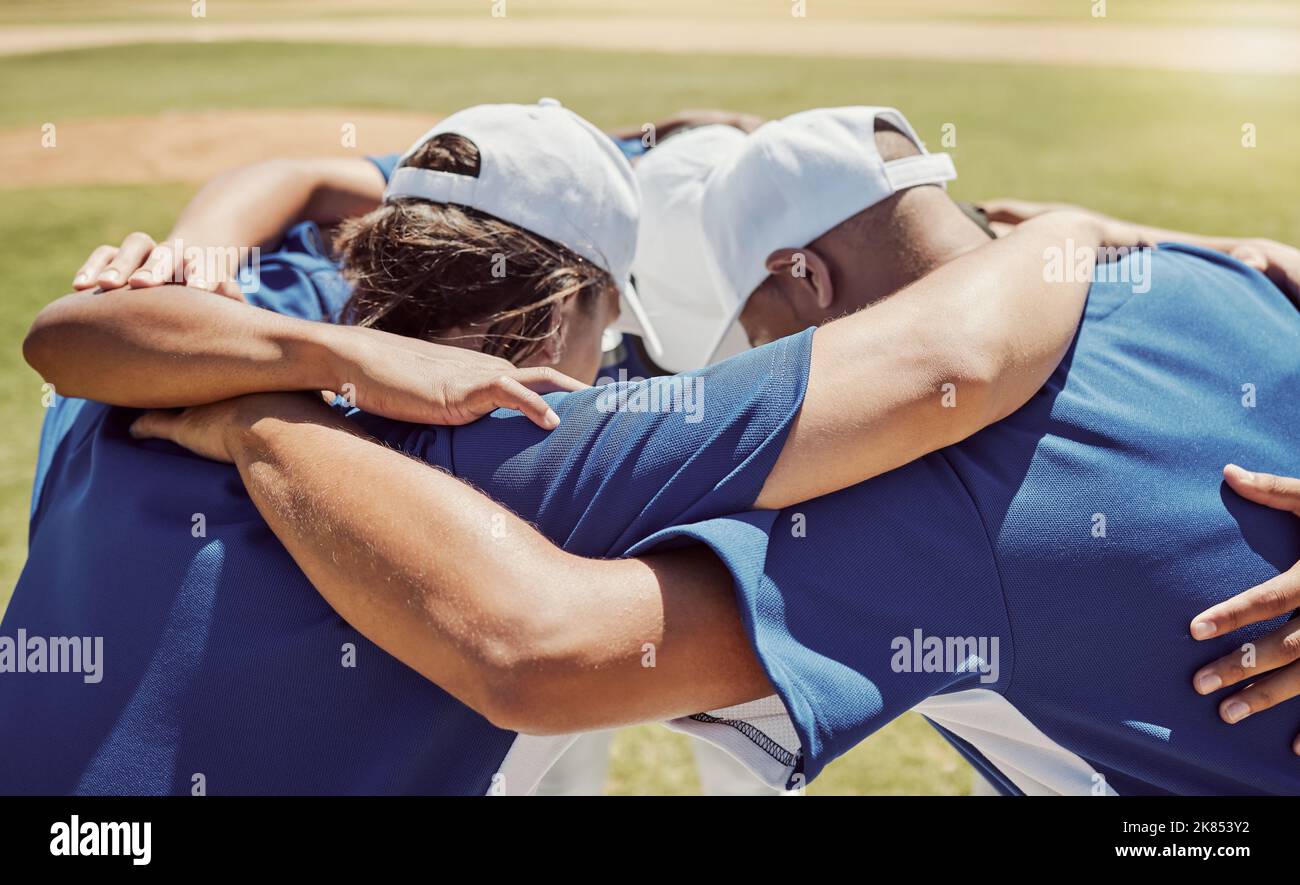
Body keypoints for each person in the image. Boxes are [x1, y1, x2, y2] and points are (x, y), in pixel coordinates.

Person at [95, 106, 1300, 794]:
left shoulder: (918, 500)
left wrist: (269, 416)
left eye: (753, 339)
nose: (748, 376)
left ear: (803, 278)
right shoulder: (1224, 278)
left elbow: (544, 653)